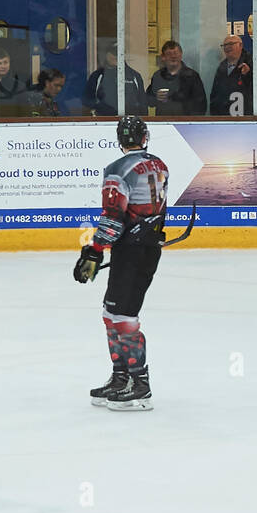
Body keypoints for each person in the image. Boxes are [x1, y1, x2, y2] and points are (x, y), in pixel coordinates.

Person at [73, 116, 170, 412]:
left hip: (131, 250)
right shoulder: (160, 165)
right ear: (145, 137)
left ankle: (140, 386)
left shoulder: (117, 170)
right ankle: (121, 377)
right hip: (148, 248)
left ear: (119, 140)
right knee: (111, 312)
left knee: (123, 316)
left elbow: (114, 217)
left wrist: (94, 249)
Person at [84, 43, 148, 117]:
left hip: (130, 121)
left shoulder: (134, 76)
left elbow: (143, 102)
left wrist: (143, 120)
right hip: (103, 122)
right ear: (107, 55)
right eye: (113, 53)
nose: (115, 57)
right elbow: (87, 100)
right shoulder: (97, 75)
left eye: (119, 54)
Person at [145, 40, 207, 117]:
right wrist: (155, 97)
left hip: (185, 124)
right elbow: (148, 101)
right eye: (169, 54)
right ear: (163, 57)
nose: (173, 56)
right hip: (162, 123)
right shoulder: (158, 76)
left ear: (181, 55)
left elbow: (200, 105)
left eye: (175, 53)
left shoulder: (192, 76)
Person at [209, 35, 254, 116]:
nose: (227, 47)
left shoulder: (252, 62)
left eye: (231, 44)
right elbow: (215, 93)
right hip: (223, 117)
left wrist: (247, 74)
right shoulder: (221, 67)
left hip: (246, 117)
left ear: (241, 46)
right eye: (224, 45)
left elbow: (256, 85)